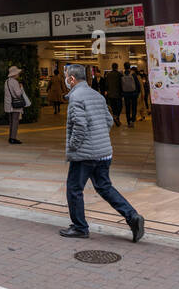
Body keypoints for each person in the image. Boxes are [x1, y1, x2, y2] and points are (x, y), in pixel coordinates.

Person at [58, 63, 145, 242]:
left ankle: (80, 227)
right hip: (104, 152)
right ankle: (132, 216)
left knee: (74, 189)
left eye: (66, 77)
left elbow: (80, 127)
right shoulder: (96, 95)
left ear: (72, 79)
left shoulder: (76, 98)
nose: (66, 80)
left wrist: (74, 147)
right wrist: (98, 138)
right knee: (104, 187)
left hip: (85, 154)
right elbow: (109, 121)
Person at [4, 65, 30, 144]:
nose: (18, 74)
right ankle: (13, 138)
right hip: (15, 105)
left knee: (11, 122)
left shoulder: (7, 81)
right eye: (17, 73)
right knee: (15, 122)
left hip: (9, 104)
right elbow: (18, 94)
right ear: (14, 74)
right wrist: (21, 88)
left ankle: (10, 137)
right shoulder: (15, 82)